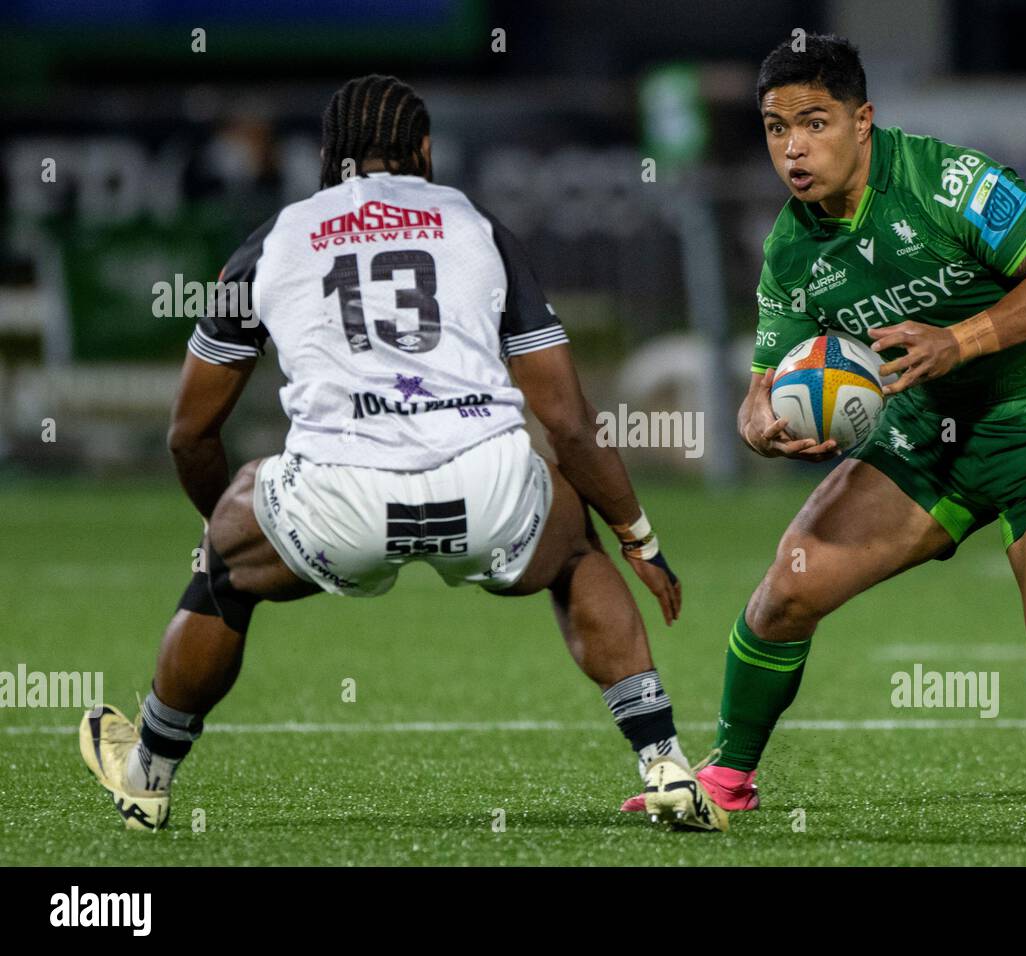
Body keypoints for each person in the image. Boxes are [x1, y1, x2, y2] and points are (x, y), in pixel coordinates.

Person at [79, 74, 725, 833]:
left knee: (222, 569)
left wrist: (233, 536)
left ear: (326, 156)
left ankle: (148, 773)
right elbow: (571, 424)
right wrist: (637, 537)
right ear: (424, 150)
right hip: (487, 487)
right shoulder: (475, 224)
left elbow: (189, 433)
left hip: (336, 501)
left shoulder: (274, 239)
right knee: (577, 544)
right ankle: (666, 764)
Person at [625, 34, 1026, 817]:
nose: (793, 148)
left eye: (814, 122)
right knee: (785, 593)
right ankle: (727, 778)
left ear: (863, 121)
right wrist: (763, 427)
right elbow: (757, 391)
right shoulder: (790, 247)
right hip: (923, 438)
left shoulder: (951, 182)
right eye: (777, 129)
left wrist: (959, 341)